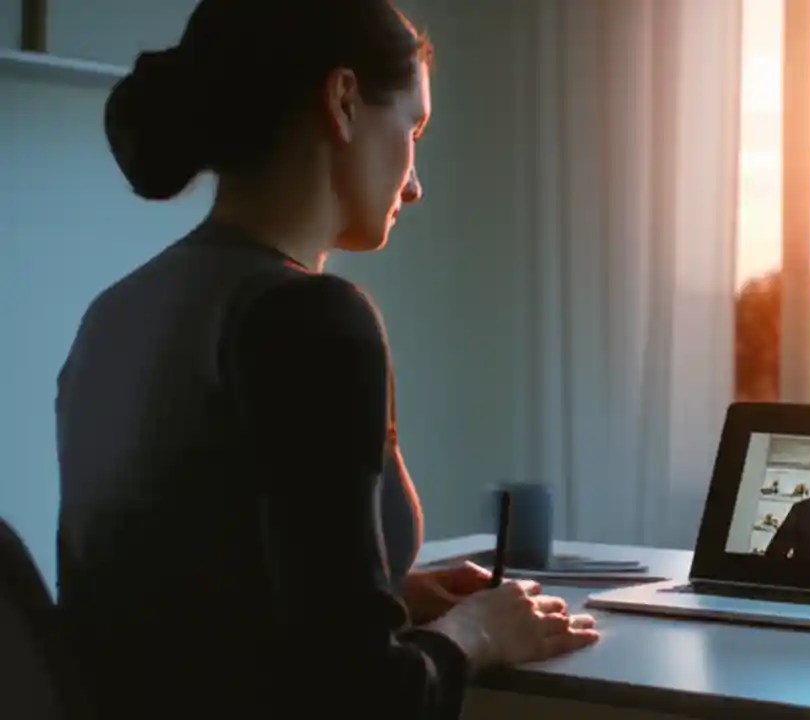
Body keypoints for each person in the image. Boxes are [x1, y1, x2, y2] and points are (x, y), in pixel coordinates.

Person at [53, 1, 597, 717]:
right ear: (343, 102)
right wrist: (477, 633)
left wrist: (390, 600)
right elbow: (362, 699)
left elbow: (176, 611)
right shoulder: (311, 320)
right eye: (414, 127)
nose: (415, 183)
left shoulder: (112, 315)